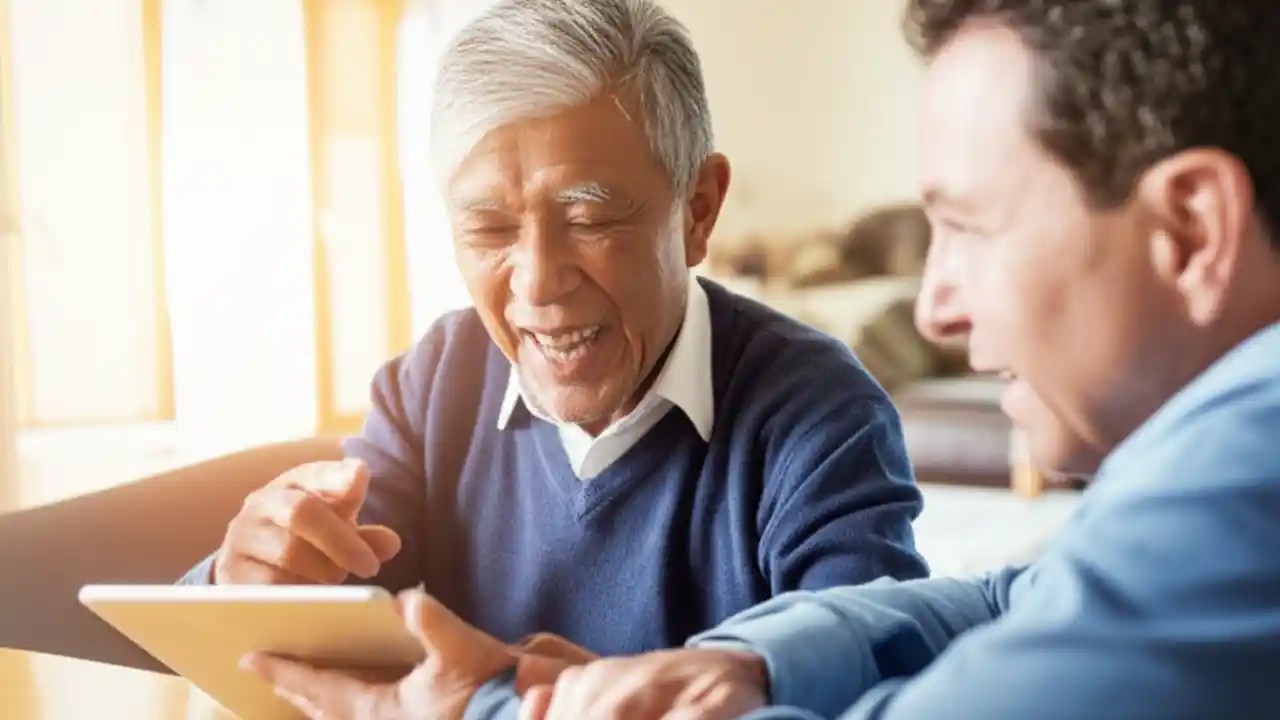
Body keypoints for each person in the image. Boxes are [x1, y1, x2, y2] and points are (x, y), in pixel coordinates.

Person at [244, 0, 1280, 718]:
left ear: (1188, 231)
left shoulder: (1247, 490)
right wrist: (741, 662)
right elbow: (1010, 597)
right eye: (488, 230)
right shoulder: (433, 381)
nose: (931, 303)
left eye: (966, 227)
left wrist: (499, 708)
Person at [182, 0, 928, 661]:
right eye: (489, 229)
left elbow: (877, 676)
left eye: (589, 219)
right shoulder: (433, 385)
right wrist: (241, 583)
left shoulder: (820, 415)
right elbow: (314, 628)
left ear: (698, 210)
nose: (537, 281)